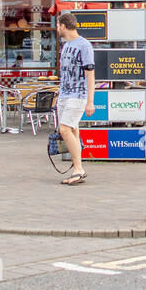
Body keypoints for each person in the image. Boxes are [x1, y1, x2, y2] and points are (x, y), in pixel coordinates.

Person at [54, 12, 96, 185]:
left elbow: (90, 73)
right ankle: (77, 167)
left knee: (65, 129)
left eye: (57, 25)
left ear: (63, 26)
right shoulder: (66, 45)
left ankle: (79, 168)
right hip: (65, 94)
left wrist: (90, 101)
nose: (57, 28)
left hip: (77, 94)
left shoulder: (84, 45)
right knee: (71, 130)